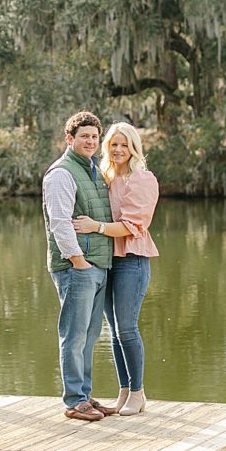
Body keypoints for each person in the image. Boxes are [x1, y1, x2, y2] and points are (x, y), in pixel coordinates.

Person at [74, 121, 159, 416]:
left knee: (127, 328)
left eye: (125, 144)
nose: (119, 149)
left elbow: (134, 225)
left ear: (134, 148)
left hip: (132, 260)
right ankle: (124, 390)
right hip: (109, 259)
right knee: (114, 332)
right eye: (114, 145)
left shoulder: (143, 179)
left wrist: (95, 227)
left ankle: (139, 392)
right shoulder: (105, 178)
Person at [41, 110, 116, 421]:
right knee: (74, 336)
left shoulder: (92, 170)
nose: (91, 141)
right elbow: (60, 223)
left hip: (97, 265)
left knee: (89, 336)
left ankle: (85, 395)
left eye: (95, 137)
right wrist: (78, 262)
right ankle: (74, 401)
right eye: (84, 136)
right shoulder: (61, 173)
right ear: (69, 139)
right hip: (77, 267)